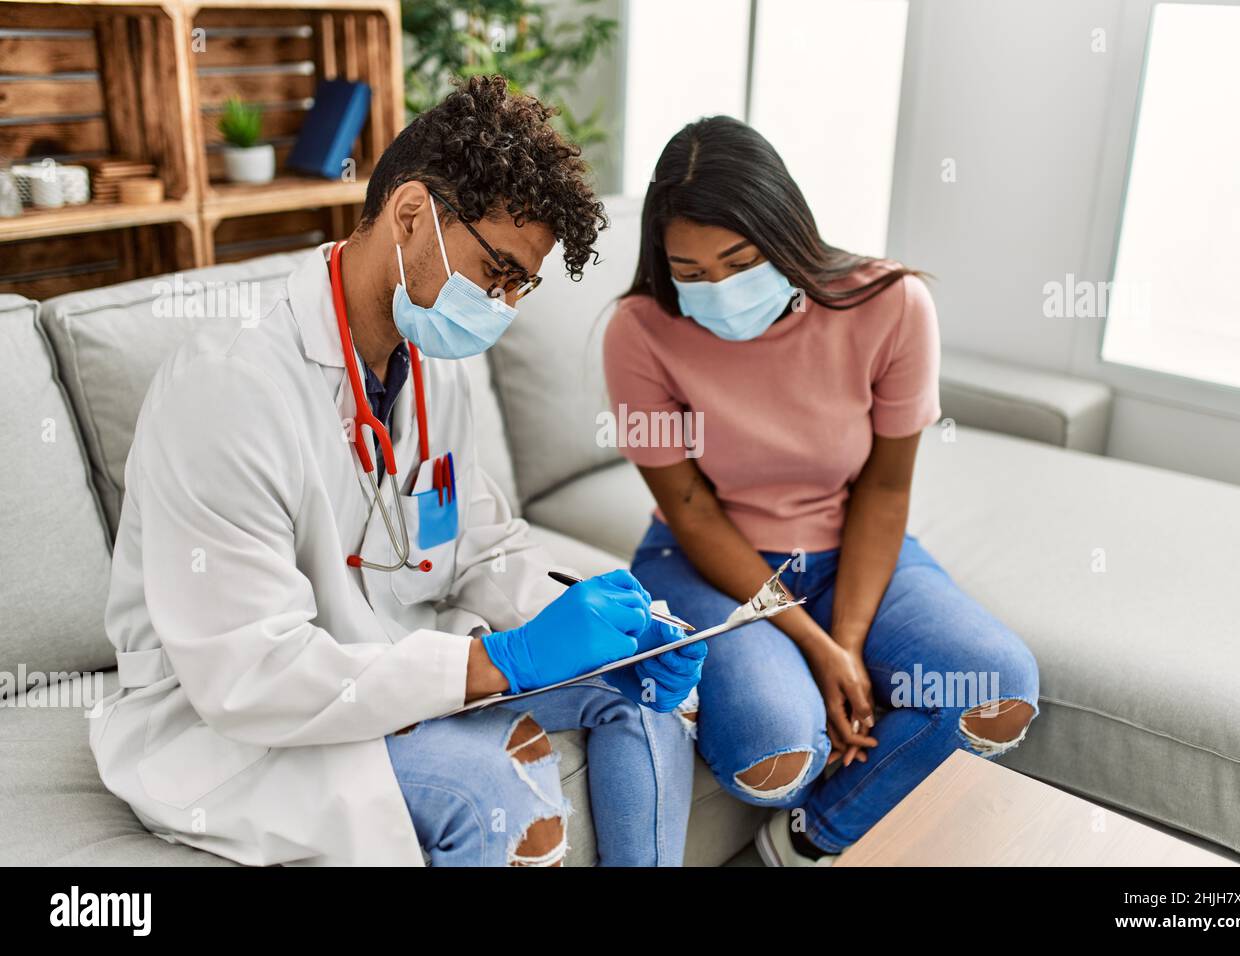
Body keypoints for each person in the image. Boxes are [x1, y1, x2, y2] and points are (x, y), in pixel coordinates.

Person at [90, 76, 705, 867]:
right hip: (237, 724)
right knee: (503, 798)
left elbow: (473, 545)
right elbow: (250, 673)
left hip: (399, 656)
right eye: (499, 273)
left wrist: (592, 622)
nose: (505, 304)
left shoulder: (431, 364)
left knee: (648, 698)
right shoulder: (228, 387)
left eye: (524, 285)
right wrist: (497, 664)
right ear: (412, 214)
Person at [603, 116, 1040, 866]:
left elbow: (884, 489)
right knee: (773, 754)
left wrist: (849, 643)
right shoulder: (637, 331)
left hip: (851, 549)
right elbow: (690, 507)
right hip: (702, 557)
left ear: (786, 228)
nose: (719, 288)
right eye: (693, 271)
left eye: (740, 260)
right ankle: (817, 790)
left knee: (997, 692)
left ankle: (812, 839)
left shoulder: (892, 305)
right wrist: (812, 644)